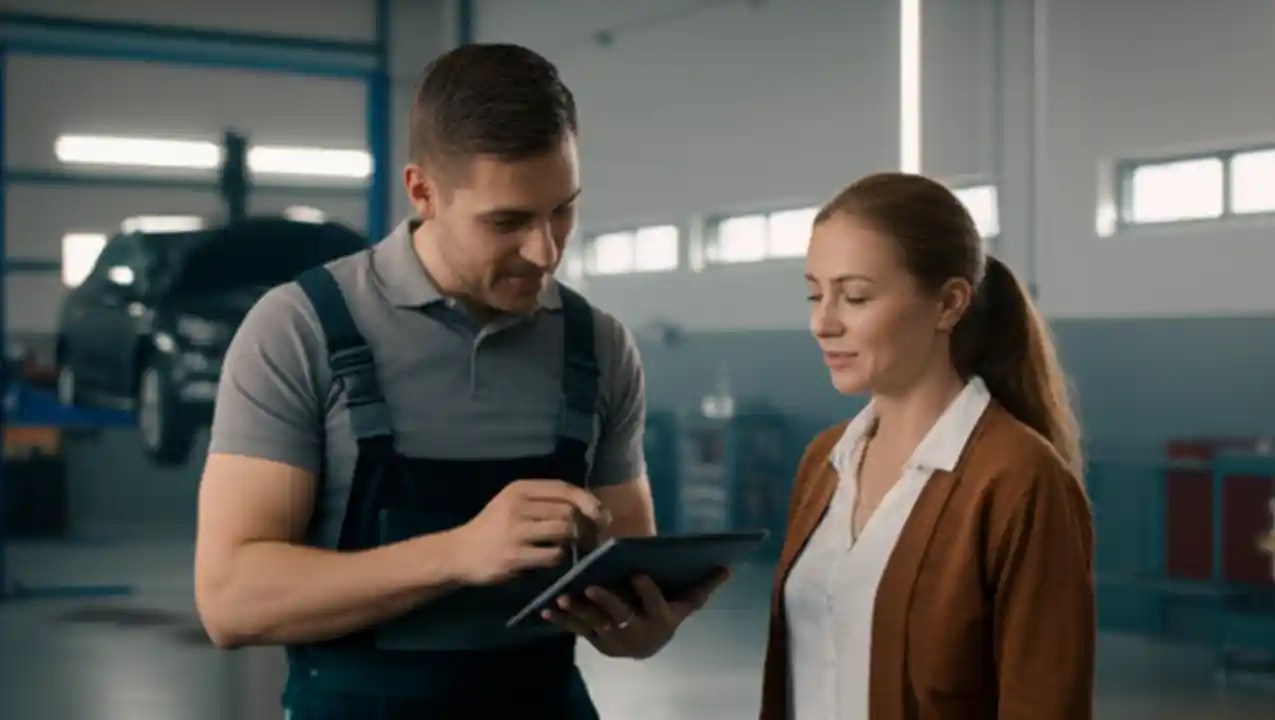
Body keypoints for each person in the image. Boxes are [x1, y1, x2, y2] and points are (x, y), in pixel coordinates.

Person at [193, 43, 726, 719]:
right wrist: (457, 554)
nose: (547, 250)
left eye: (562, 209)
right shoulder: (298, 332)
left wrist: (642, 626)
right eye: (507, 222)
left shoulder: (598, 347)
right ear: (423, 191)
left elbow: (624, 582)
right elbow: (230, 601)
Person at [759, 172, 1096, 719]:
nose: (823, 322)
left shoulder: (1019, 480)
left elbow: (1046, 704)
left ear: (949, 304)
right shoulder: (825, 461)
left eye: (856, 296)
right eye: (815, 294)